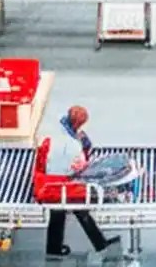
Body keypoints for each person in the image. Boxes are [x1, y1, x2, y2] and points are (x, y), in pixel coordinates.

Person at [45, 105, 121, 258]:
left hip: (52, 180)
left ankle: (54, 249)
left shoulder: (61, 128)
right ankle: (100, 245)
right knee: (80, 209)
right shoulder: (71, 143)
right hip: (62, 180)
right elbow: (72, 165)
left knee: (58, 211)